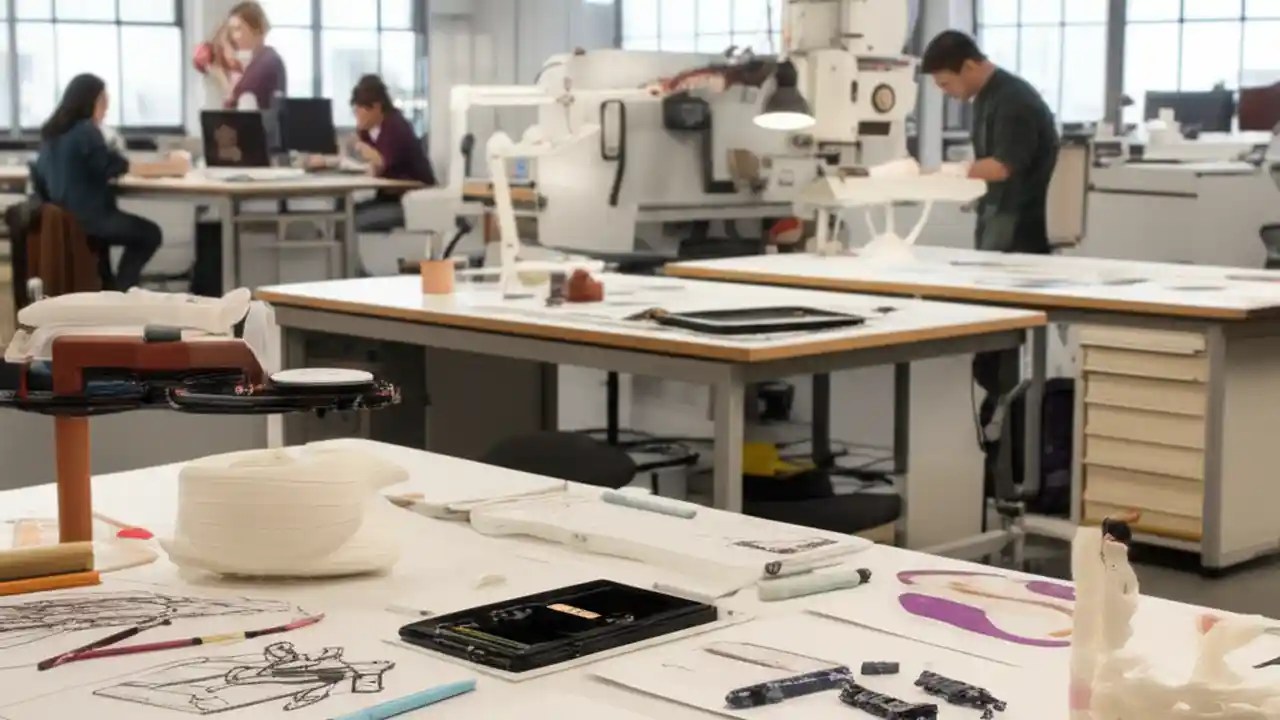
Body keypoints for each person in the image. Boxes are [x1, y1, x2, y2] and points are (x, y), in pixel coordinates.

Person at [921, 30, 1059, 490]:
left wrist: (946, 173)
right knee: (988, 351)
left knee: (1001, 352)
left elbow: (1002, 166)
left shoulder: (1014, 100)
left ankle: (1004, 453)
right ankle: (990, 445)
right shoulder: (984, 98)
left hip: (1020, 237)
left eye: (945, 85)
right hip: (996, 226)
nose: (947, 94)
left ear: (968, 67)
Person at [35, 74, 190, 291]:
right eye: (103, 102)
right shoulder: (87, 131)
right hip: (90, 220)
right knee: (150, 234)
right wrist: (173, 167)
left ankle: (113, 288)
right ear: (90, 102)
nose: (106, 109)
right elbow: (122, 168)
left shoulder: (50, 135)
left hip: (63, 221)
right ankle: (123, 290)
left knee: (112, 239)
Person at [348, 74, 437, 231]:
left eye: (359, 111)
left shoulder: (396, 127)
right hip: (389, 197)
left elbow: (383, 162)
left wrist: (363, 148)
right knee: (347, 212)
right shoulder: (369, 131)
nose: (357, 117)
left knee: (352, 221)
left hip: (411, 202)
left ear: (376, 107)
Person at [215, 1, 286, 110]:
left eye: (238, 29)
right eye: (232, 31)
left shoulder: (265, 64)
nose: (234, 37)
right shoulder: (265, 60)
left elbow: (236, 106)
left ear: (256, 29)